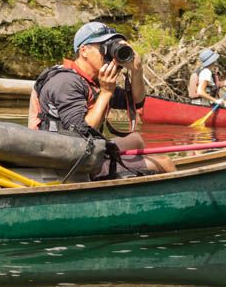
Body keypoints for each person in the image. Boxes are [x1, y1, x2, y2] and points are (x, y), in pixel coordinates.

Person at [28, 20, 172, 176]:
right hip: (65, 161)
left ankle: (134, 177)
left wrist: (137, 70)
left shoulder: (94, 81)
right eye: (104, 48)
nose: (109, 55)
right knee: (166, 163)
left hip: (85, 150)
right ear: (84, 50)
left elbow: (136, 102)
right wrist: (105, 93)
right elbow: (79, 134)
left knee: (136, 139)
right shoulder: (66, 82)